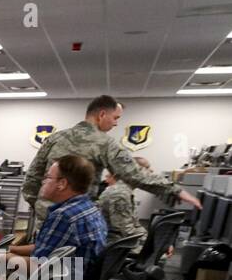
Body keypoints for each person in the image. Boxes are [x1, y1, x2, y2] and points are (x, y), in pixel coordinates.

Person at [22, 94, 201, 234]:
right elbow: (134, 174)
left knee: (40, 268)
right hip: (76, 220)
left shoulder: (55, 138)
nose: (116, 123)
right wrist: (176, 190)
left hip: (46, 220)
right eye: (115, 118)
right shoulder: (104, 143)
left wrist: (41, 206)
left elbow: (31, 180)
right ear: (101, 115)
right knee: (68, 274)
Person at [6, 155, 108, 274]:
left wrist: (2, 256)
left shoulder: (65, 216)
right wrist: (11, 249)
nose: (43, 181)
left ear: (62, 183)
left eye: (48, 177)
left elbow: (37, 266)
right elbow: (46, 248)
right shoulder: (89, 208)